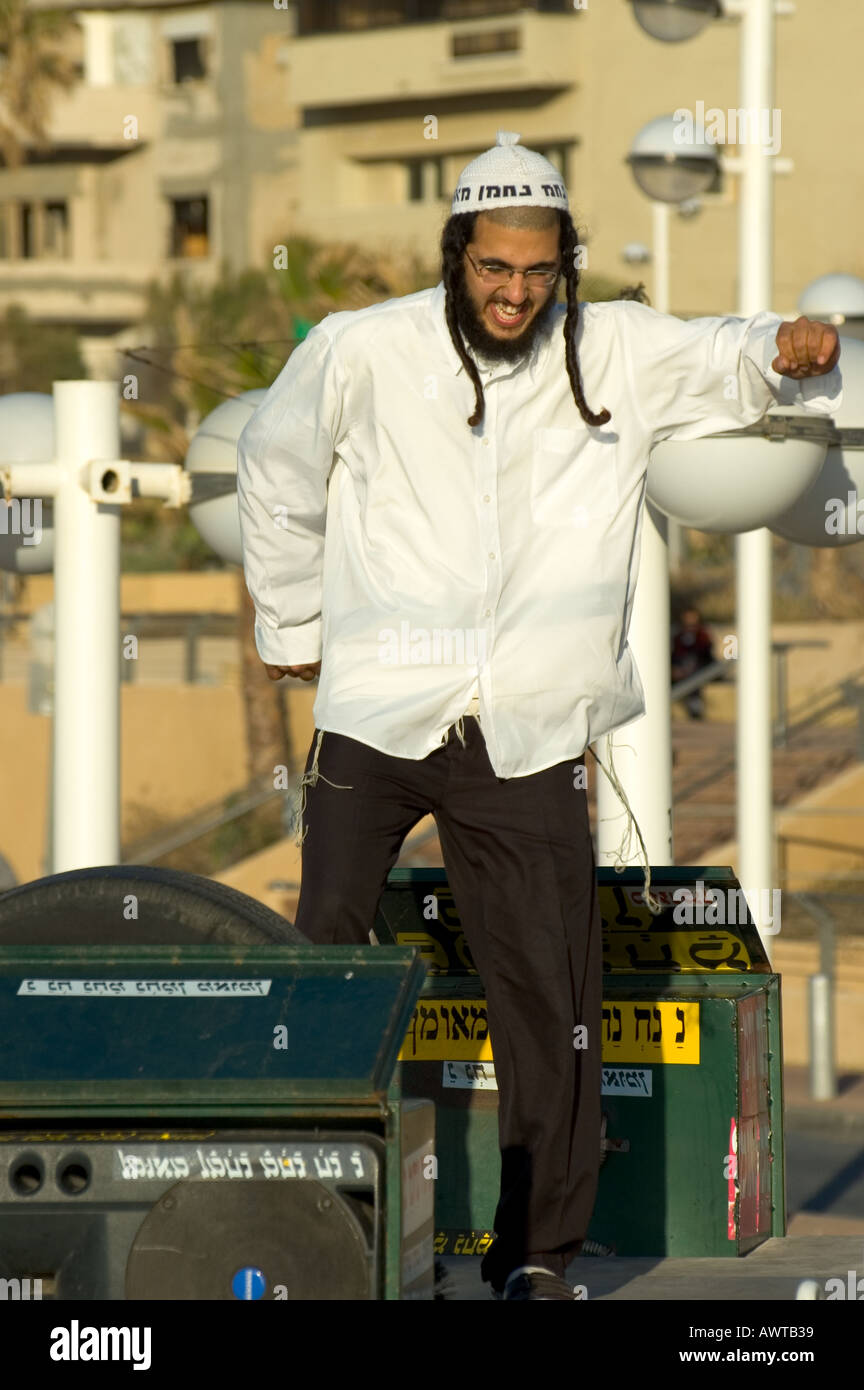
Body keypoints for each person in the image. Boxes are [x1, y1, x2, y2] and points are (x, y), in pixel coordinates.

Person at [236, 132, 841, 1301]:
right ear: (457, 253)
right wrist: (294, 625)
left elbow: (726, 355)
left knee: (550, 998)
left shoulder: (610, 344)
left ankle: (536, 1259)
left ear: (562, 262)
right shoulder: (366, 349)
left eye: (536, 273)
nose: (514, 295)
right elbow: (274, 458)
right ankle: (317, 1217)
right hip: (378, 705)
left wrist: (785, 343)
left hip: (527, 725)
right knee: (325, 961)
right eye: (492, 271)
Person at [671, 607, 716, 719]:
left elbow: (706, 654)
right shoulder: (678, 636)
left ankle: (695, 706)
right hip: (681, 668)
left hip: (699, 668)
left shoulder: (703, 635)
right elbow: (674, 655)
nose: (690, 622)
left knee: (694, 678)